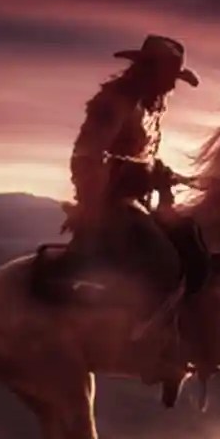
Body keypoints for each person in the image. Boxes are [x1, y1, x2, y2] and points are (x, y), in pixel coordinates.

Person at [63, 34, 199, 386]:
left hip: (137, 198)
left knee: (194, 241)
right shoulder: (113, 102)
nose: (173, 83)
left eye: (175, 76)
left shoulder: (151, 104)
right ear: (148, 70)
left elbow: (142, 156)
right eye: (169, 74)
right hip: (108, 202)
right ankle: (140, 345)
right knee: (162, 261)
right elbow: (86, 156)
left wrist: (159, 171)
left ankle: (177, 337)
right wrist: (141, 174)